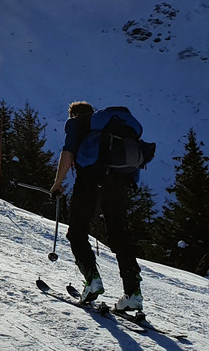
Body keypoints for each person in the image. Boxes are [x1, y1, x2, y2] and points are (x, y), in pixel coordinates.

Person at [50, 101, 145, 312]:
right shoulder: (114, 127)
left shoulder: (77, 123)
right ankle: (133, 293)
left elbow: (68, 153)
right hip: (119, 182)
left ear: (74, 114)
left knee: (77, 231)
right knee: (119, 235)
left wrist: (57, 184)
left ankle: (92, 280)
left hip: (90, 179)